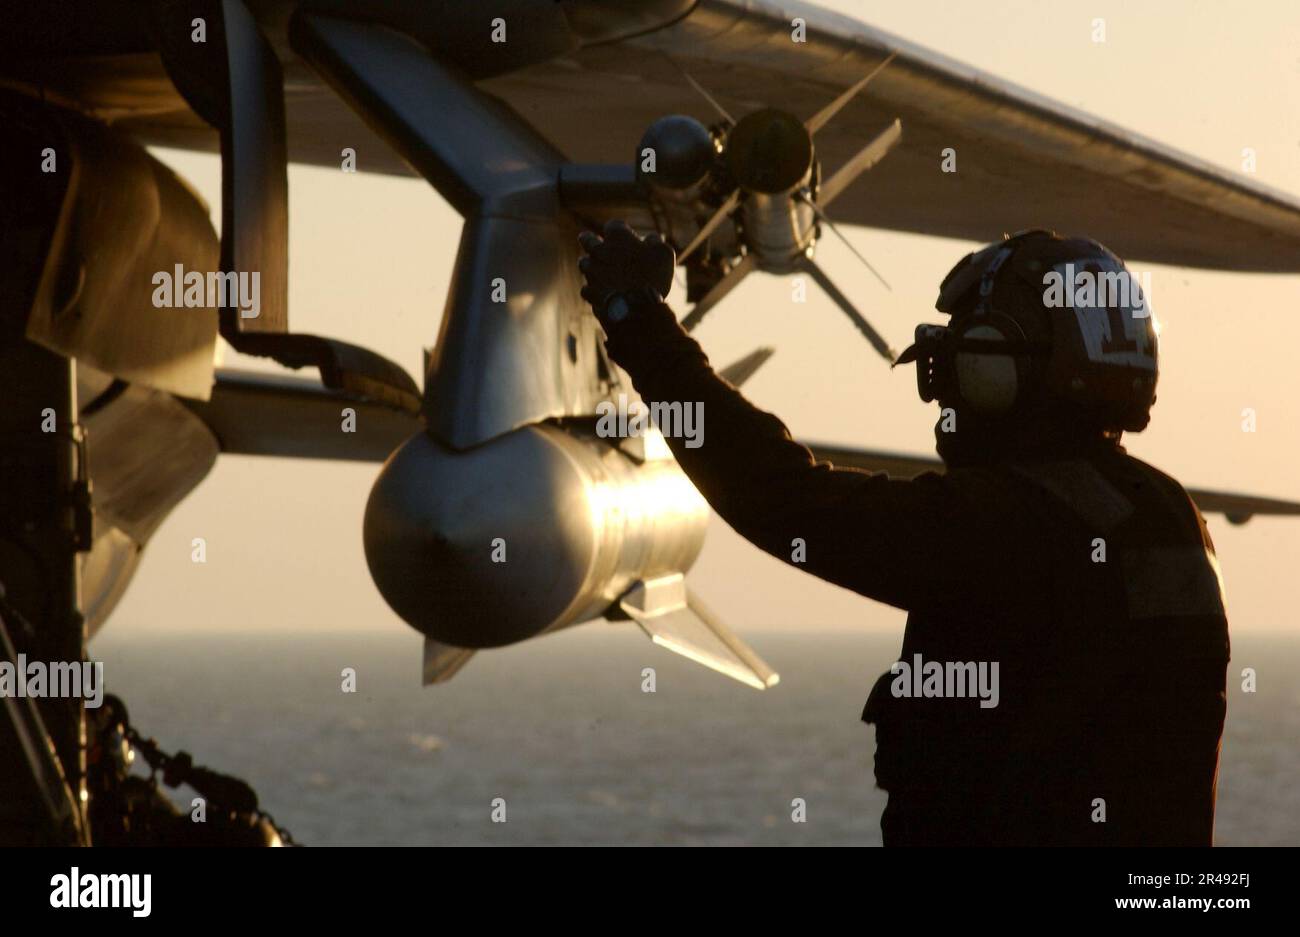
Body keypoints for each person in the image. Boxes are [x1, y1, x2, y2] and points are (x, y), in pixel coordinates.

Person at [578, 221, 1230, 846]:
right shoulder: (1174, 520)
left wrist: (639, 323)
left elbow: (780, 494)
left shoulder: (999, 524)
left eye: (972, 348)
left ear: (1007, 369)